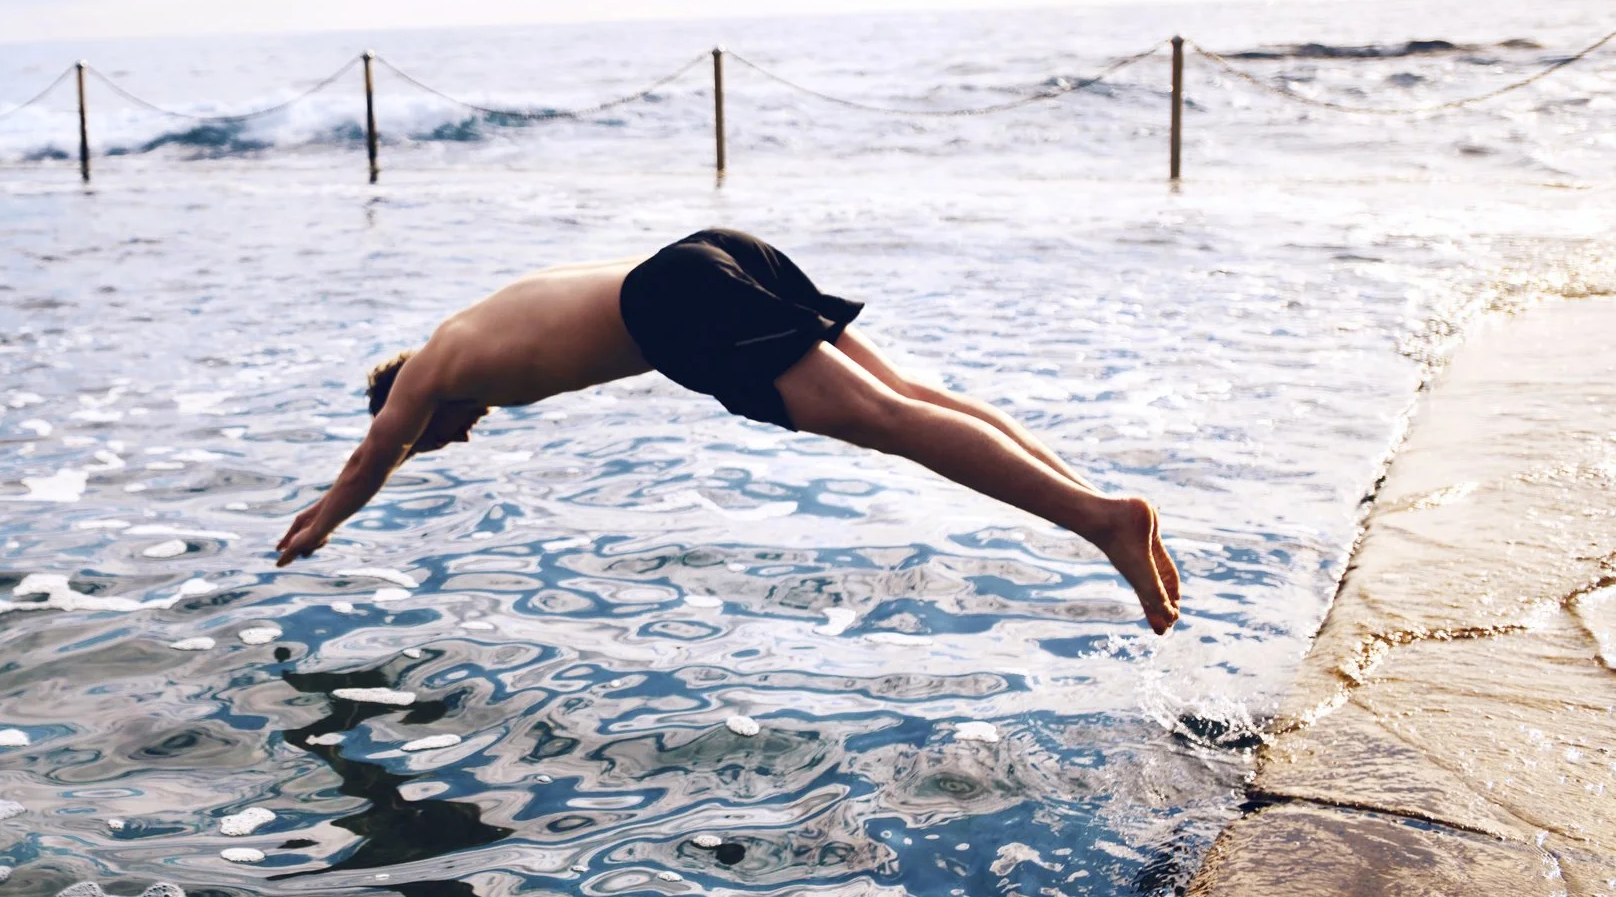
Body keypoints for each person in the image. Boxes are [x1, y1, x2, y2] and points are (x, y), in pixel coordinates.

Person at [274, 228, 1180, 634]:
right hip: (711, 253)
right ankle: (1099, 505)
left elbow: (371, 452)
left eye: (439, 437)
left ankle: (1100, 519)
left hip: (674, 300)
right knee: (904, 393)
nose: (457, 439)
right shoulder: (480, 321)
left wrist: (321, 522)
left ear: (418, 407)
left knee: (883, 422)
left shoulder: (434, 366)